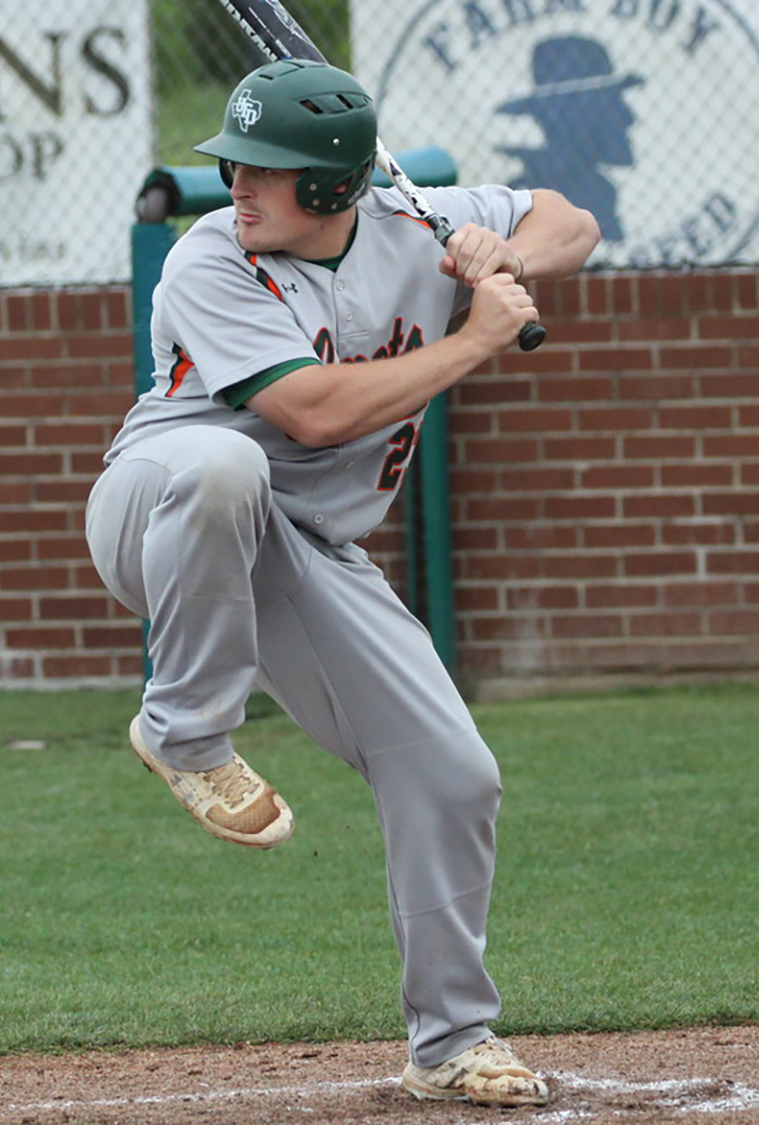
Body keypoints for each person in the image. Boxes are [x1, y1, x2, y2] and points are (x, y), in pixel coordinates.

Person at [85, 59, 599, 1107]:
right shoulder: (210, 260)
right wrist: (473, 341)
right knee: (230, 464)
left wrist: (502, 249)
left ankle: (451, 1040)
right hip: (159, 507)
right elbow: (313, 415)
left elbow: (572, 220)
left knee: (452, 777)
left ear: (332, 188)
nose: (236, 185)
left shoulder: (416, 220)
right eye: (231, 164)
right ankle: (184, 729)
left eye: (263, 171)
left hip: (305, 552)